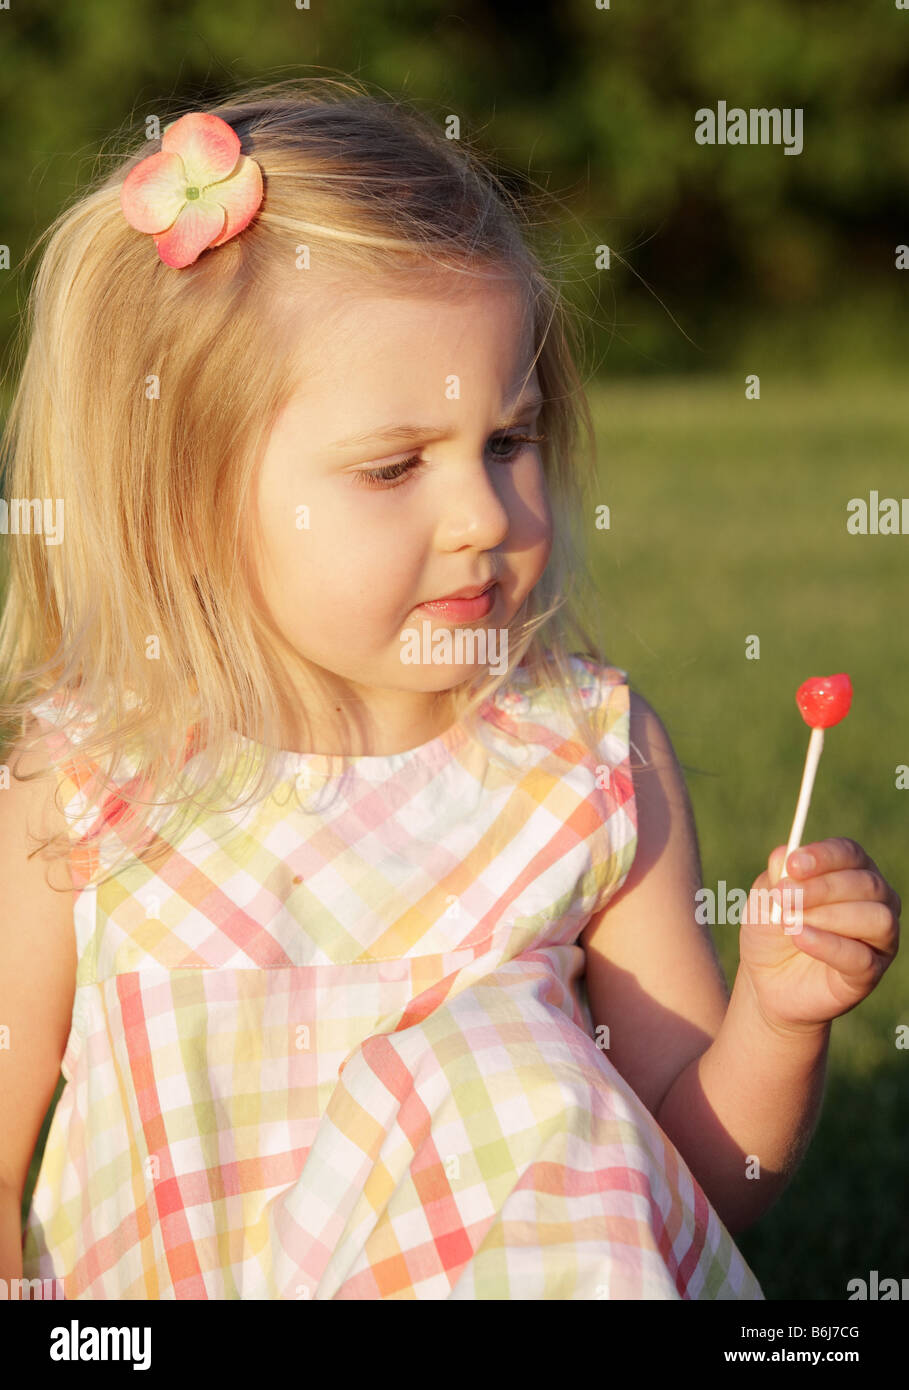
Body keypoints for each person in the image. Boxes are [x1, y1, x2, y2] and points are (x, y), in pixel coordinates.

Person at [0, 77, 899, 1300]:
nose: (483, 514)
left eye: (508, 442)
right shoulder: (92, 783)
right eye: (392, 468)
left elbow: (687, 1185)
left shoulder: (585, 759)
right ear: (188, 497)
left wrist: (778, 1023)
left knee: (505, 1071)